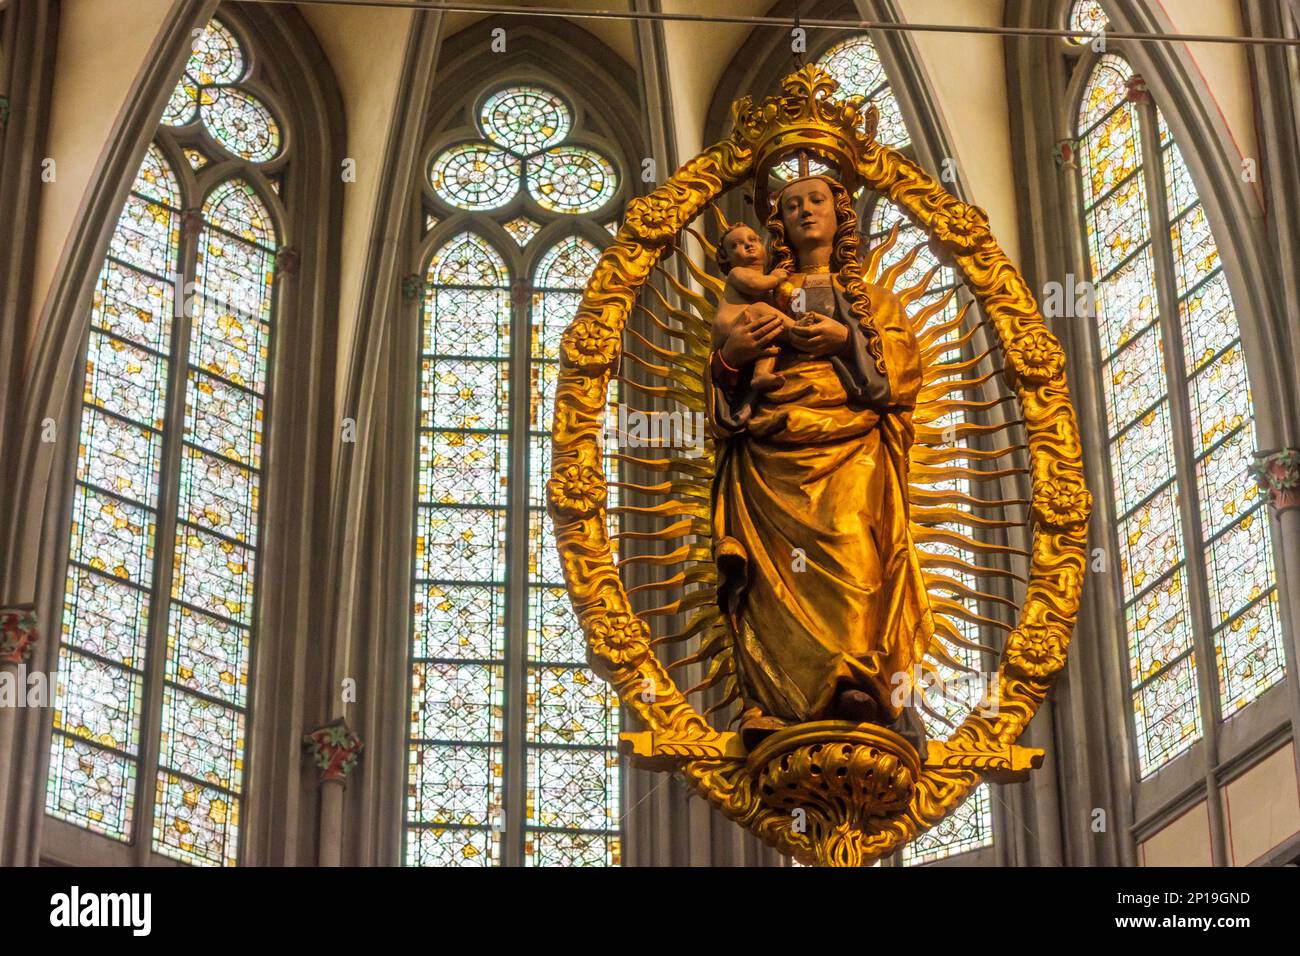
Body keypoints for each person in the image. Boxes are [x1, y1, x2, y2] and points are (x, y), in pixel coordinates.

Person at [705, 174, 933, 750]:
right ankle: (776, 700)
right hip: (768, 455)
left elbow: (898, 382)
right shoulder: (758, 294)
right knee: (771, 581)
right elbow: (725, 394)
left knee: (854, 550)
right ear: (777, 221)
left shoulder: (874, 301)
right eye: (791, 204)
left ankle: (859, 681)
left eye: (817, 200)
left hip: (851, 449)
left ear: (841, 213)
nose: (805, 211)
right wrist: (732, 360)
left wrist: (845, 342)